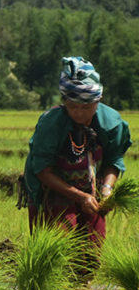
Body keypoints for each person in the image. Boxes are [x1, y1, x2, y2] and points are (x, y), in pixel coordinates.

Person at [23, 57, 131, 255]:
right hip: (54, 189)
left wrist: (106, 190)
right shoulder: (51, 125)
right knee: (56, 249)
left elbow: (113, 161)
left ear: (98, 101)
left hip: (92, 189)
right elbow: (43, 171)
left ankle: (83, 284)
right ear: (65, 102)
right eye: (73, 107)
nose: (79, 113)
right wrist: (79, 196)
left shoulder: (111, 124)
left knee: (91, 250)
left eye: (86, 107)